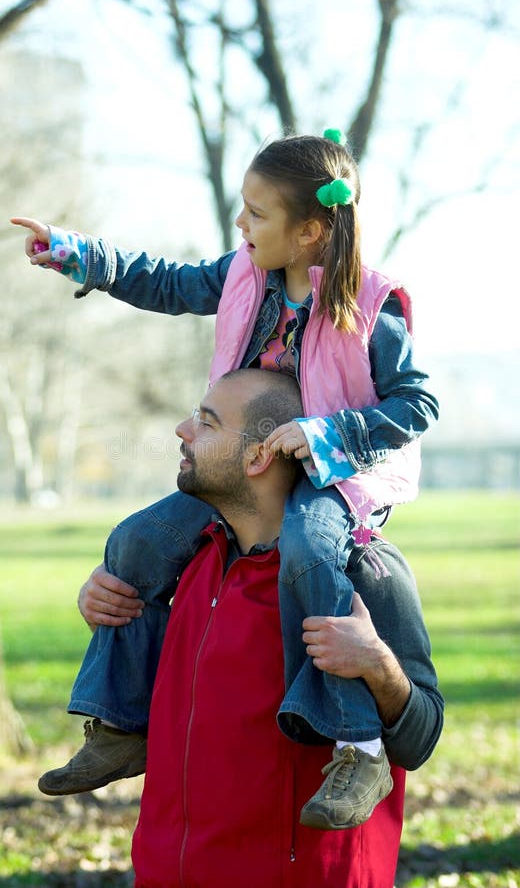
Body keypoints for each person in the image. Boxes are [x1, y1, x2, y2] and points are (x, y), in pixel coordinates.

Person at [11, 130, 439, 829]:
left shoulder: (370, 303)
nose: (241, 224)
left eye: (257, 213)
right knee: (137, 544)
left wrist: (328, 434)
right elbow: (167, 282)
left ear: (309, 230)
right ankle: (122, 725)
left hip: (332, 478)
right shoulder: (245, 270)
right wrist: (78, 253)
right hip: (246, 467)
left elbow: (418, 404)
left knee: (308, 550)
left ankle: (356, 746)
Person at [95, 369, 444, 886]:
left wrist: (375, 663)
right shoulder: (190, 565)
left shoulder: (364, 571)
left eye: (207, 424)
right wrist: (105, 601)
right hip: (169, 872)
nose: (182, 431)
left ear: (259, 456)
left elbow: (421, 736)